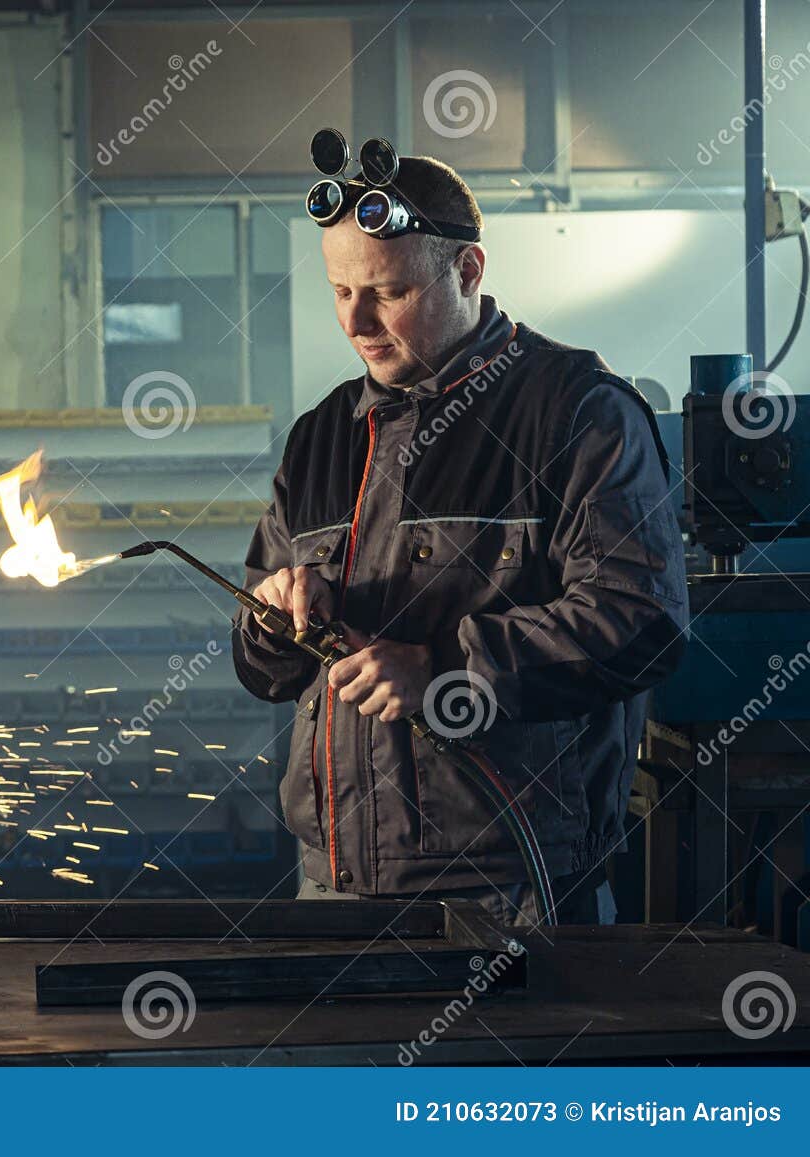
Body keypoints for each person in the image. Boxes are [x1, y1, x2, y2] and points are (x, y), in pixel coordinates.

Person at [232, 154, 688, 927]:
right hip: (328, 889)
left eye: (389, 292)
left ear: (468, 269)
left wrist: (445, 670)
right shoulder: (319, 439)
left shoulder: (574, 415)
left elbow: (639, 622)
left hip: (512, 892)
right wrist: (273, 616)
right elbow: (259, 668)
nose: (355, 321)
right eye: (341, 291)